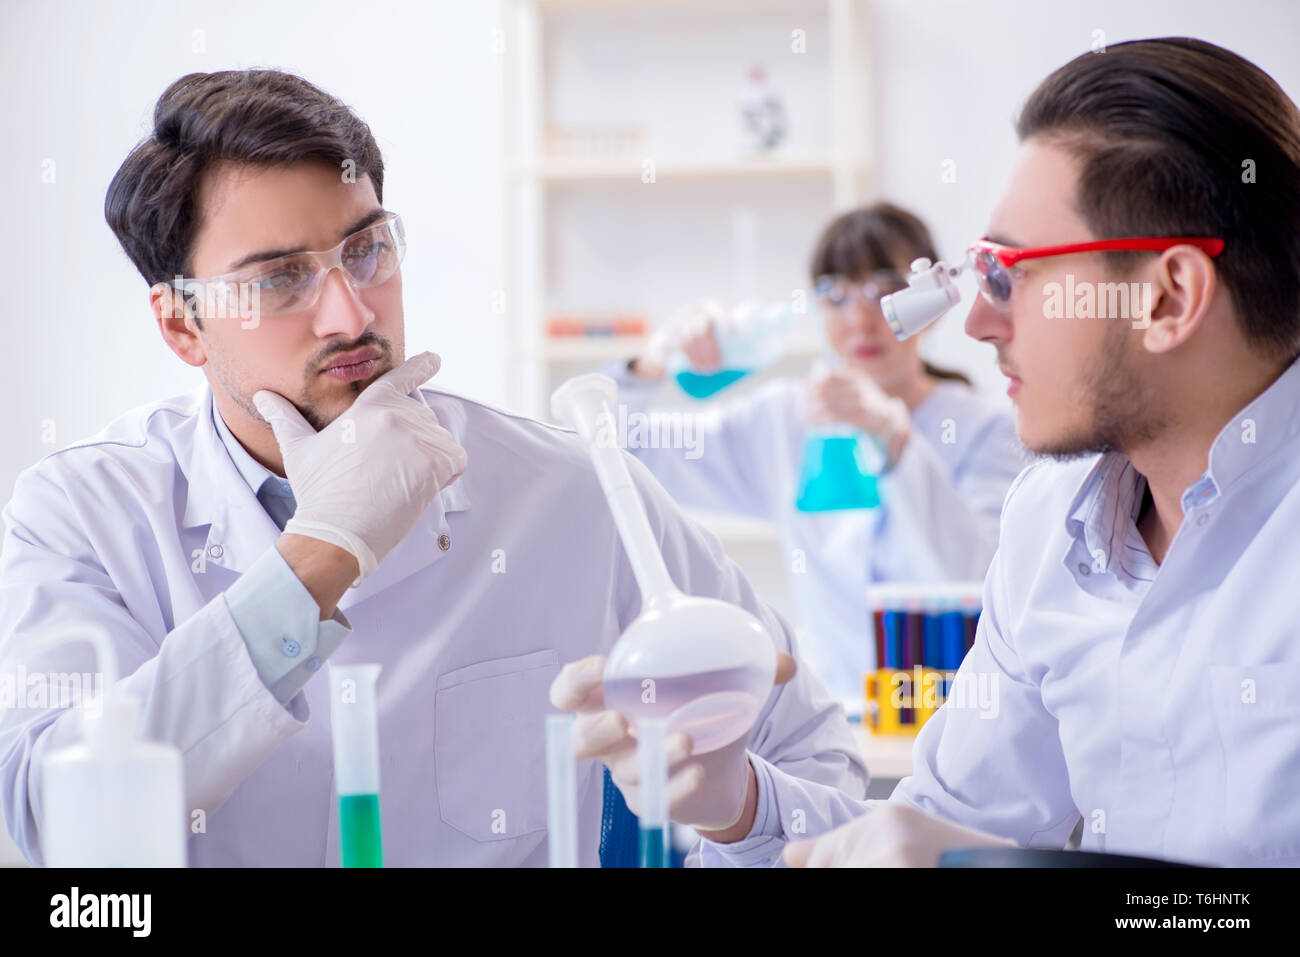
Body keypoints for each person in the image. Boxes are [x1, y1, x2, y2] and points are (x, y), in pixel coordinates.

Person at [0, 69, 867, 867]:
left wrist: (737, 806)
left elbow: (825, 775)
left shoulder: (569, 493)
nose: (349, 312)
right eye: (279, 279)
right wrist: (319, 558)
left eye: (367, 250)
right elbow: (57, 826)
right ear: (181, 325)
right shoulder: (84, 513)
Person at [782, 36, 1300, 867]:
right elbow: (958, 815)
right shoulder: (1049, 519)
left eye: (1008, 273)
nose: (980, 322)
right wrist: (742, 806)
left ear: (1167, 297)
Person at [607, 204, 1025, 710]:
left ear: (933, 300)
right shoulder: (783, 421)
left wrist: (895, 442)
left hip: (963, 717)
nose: (860, 318)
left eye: (885, 288)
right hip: (839, 716)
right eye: (835, 295)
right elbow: (607, 448)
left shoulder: (987, 428)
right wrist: (656, 360)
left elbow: (979, 585)